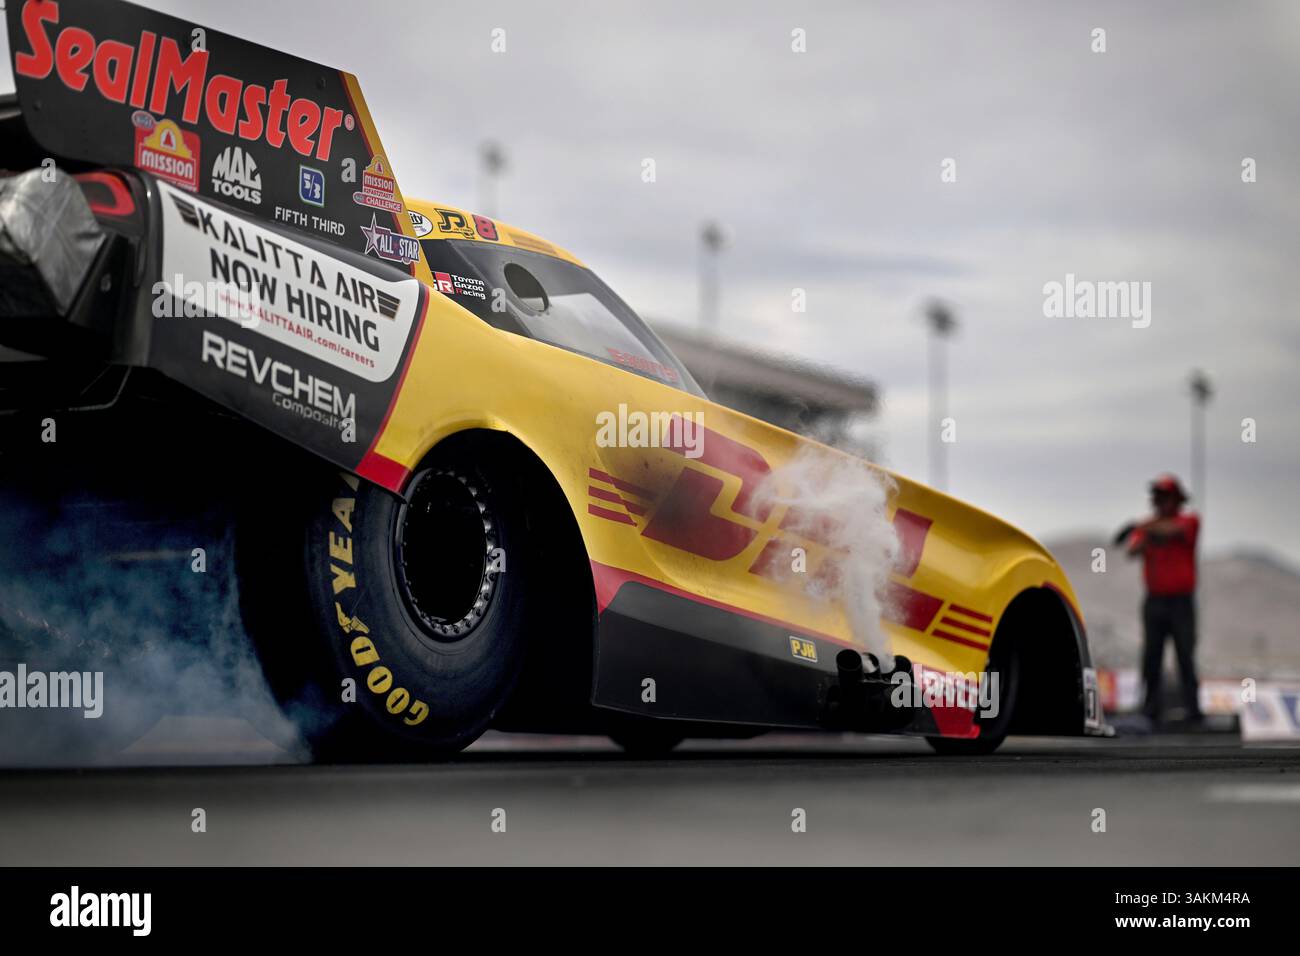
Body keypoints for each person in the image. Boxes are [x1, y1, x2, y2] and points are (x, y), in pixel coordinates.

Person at [1124, 474, 1202, 726]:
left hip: (1181, 601)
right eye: (1156, 496)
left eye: (1163, 496)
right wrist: (1145, 534)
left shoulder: (1189, 521)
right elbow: (1132, 551)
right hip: (1155, 600)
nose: (1158, 501)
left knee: (1185, 655)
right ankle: (1150, 709)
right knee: (1151, 655)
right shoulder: (1148, 527)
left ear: (1176, 499)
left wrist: (1140, 528)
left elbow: (1174, 530)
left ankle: (1193, 710)